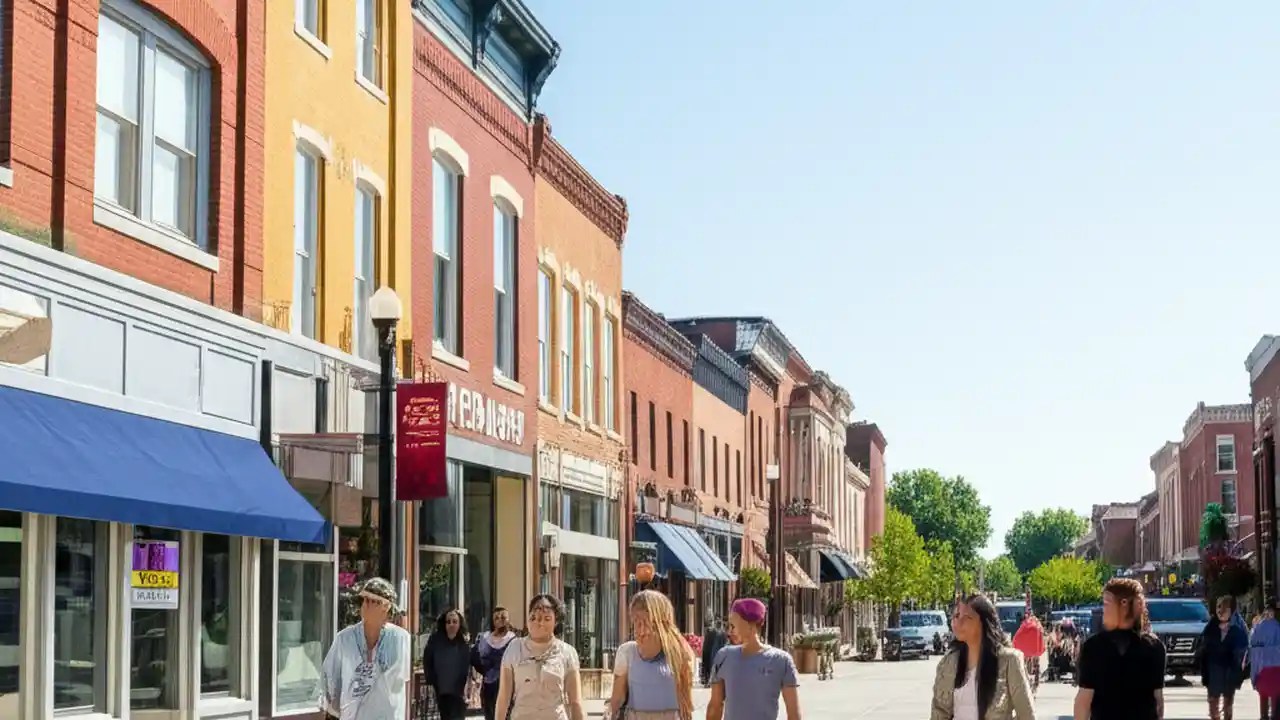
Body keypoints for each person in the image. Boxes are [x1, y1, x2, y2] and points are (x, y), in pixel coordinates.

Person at [319, 577, 413, 720]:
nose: (365, 604)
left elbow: (402, 683)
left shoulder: (400, 639)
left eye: (371, 601)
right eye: (364, 600)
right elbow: (331, 680)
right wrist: (331, 712)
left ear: (385, 606)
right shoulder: (345, 638)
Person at [930, 594, 1036, 720]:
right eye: (956, 616)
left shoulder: (1009, 661)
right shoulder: (948, 662)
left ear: (984, 623)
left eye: (967, 617)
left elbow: (1027, 715)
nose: (958, 622)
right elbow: (939, 713)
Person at [1073, 578, 1166, 720]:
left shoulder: (1094, 647)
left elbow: (1083, 703)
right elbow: (1158, 703)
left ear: (1123, 604)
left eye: (1106, 603)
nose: (1103, 610)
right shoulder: (1154, 647)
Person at [706, 598, 801, 720]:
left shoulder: (781, 661)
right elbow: (715, 707)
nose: (729, 632)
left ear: (750, 626)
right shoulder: (723, 656)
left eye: (733, 626)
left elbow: (794, 714)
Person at [495, 594, 585, 720]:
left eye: (546, 619)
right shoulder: (514, 648)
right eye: (533, 618)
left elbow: (575, 702)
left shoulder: (567, 653)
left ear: (555, 621)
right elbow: (504, 697)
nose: (539, 622)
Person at [608, 590, 695, 720]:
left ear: (662, 624)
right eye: (636, 622)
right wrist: (610, 714)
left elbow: (686, 706)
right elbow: (617, 701)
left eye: (647, 623)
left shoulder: (680, 654)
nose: (641, 631)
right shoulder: (627, 652)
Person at [1201, 595, 1249, 720]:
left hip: (1229, 671)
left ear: (1231, 611)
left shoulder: (1238, 628)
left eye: (1225, 608)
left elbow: (1243, 650)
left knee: (1228, 704)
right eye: (1218, 607)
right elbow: (1204, 648)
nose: (1220, 611)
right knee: (1213, 703)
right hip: (1214, 670)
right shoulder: (1211, 627)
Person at [424, 608, 473, 720]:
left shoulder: (464, 643)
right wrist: (430, 682)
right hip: (440, 691)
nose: (451, 624)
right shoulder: (435, 640)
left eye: (455, 622)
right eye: (448, 622)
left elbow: (468, 667)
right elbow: (427, 662)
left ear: (460, 624)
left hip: (459, 692)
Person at [473, 606, 517, 720]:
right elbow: (475, 659)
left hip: (507, 687)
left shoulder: (514, 640)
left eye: (503, 617)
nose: (500, 620)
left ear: (508, 619)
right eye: (496, 618)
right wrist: (484, 672)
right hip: (488, 686)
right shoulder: (484, 638)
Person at [1250, 605, 1280, 720]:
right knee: (1276, 699)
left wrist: (1253, 677)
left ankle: (1263, 716)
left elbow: (1254, 652)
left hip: (1262, 670)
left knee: (1263, 697)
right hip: (1277, 669)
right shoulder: (1277, 627)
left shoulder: (1257, 629)